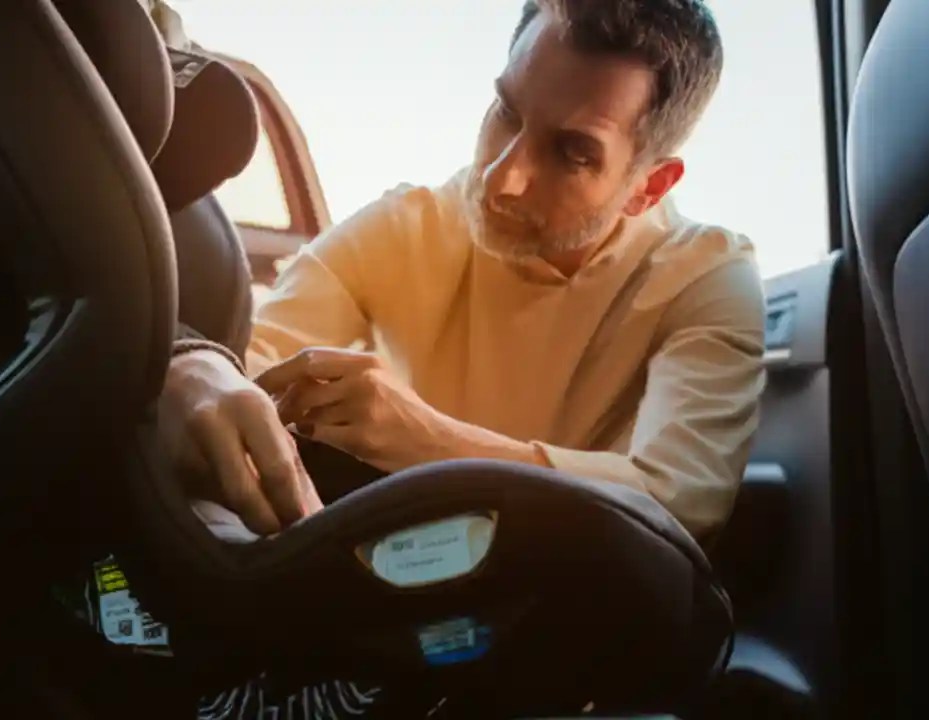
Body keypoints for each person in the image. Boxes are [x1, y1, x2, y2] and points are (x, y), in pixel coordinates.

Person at [167, 0, 765, 715]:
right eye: (507, 112)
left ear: (649, 185)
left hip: (567, 622)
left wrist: (428, 443)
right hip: (389, 583)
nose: (502, 179)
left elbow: (678, 504)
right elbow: (249, 363)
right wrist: (195, 368)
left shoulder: (705, 275)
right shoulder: (413, 222)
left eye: (571, 152)